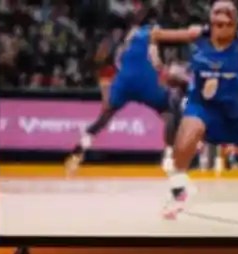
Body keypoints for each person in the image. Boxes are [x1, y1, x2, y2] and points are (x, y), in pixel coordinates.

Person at [152, 1, 238, 225]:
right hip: (201, 105)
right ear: (211, 19)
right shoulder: (197, 34)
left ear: (235, 23)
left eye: (228, 15)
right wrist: (155, 52)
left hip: (234, 110)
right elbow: (157, 35)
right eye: (217, 13)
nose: (222, 18)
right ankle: (178, 193)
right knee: (184, 143)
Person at [65, 10, 180, 176]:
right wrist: (162, 69)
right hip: (144, 79)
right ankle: (168, 156)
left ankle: (79, 150)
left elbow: (110, 60)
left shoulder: (122, 38)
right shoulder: (150, 31)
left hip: (124, 80)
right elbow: (155, 60)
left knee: (104, 117)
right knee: (170, 112)